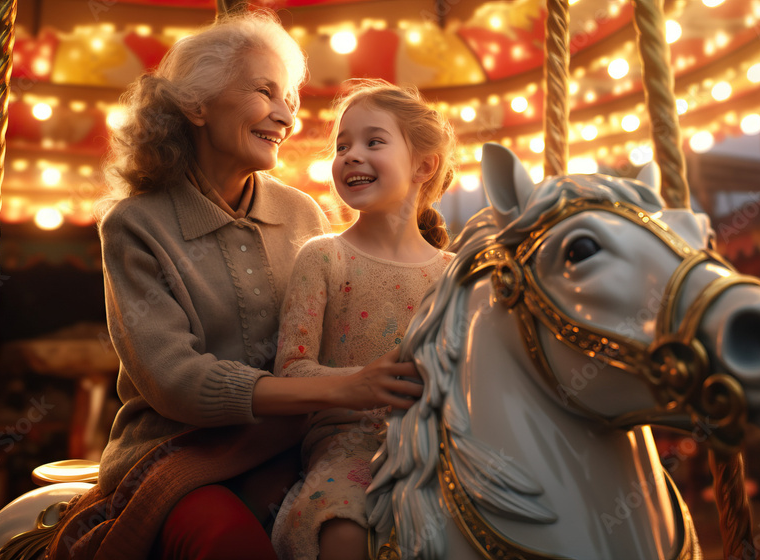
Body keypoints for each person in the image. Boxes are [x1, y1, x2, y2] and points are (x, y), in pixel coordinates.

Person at [45, 13, 423, 560]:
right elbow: (177, 379)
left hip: (297, 442)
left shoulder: (301, 213)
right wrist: (344, 387)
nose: (285, 115)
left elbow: (338, 331)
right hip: (182, 450)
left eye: (290, 97)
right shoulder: (138, 225)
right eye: (265, 91)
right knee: (228, 541)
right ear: (197, 105)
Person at [270, 80, 457, 560]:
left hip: (442, 442)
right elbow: (291, 371)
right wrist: (361, 381)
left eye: (373, 142)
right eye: (342, 145)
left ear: (424, 165)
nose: (351, 155)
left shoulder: (452, 274)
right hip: (350, 443)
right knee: (346, 529)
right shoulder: (325, 258)